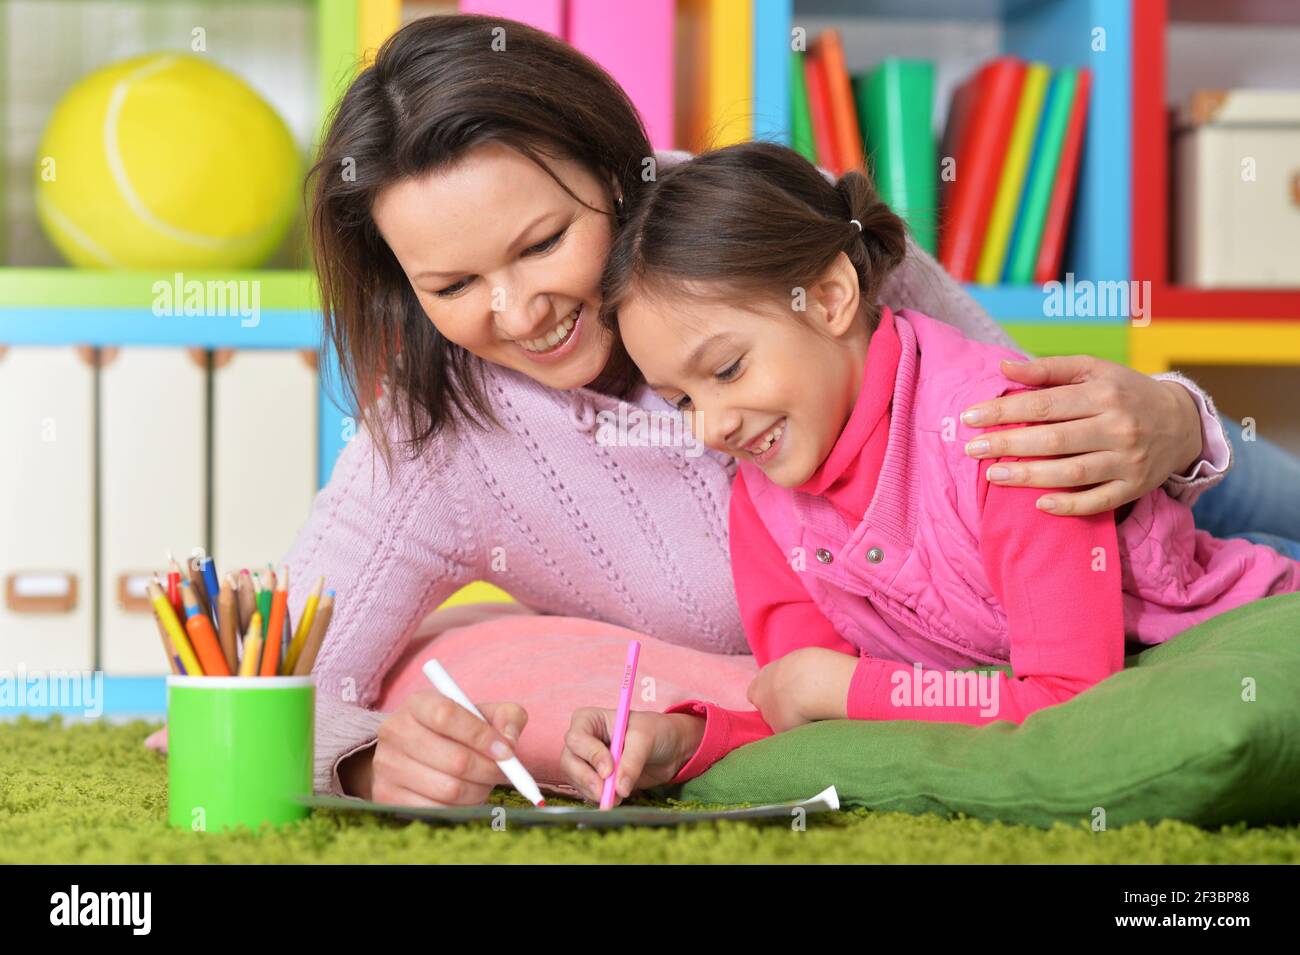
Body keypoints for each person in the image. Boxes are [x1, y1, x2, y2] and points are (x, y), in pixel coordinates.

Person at [150, 14, 1291, 808]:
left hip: (1149, 496)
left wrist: (1179, 424)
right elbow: (250, 696)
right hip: (963, 639)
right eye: (451, 286)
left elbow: (1010, 446)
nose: (519, 306)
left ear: (617, 173)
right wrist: (364, 767)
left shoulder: (757, 232)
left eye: (543, 241)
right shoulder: (433, 445)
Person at [558, 142, 1300, 804]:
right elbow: (802, 707)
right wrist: (686, 739)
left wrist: (848, 687)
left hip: (1238, 618)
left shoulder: (1000, 437)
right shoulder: (760, 503)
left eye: (727, 368)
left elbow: (1070, 697)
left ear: (829, 297)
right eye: (684, 398)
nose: (712, 425)